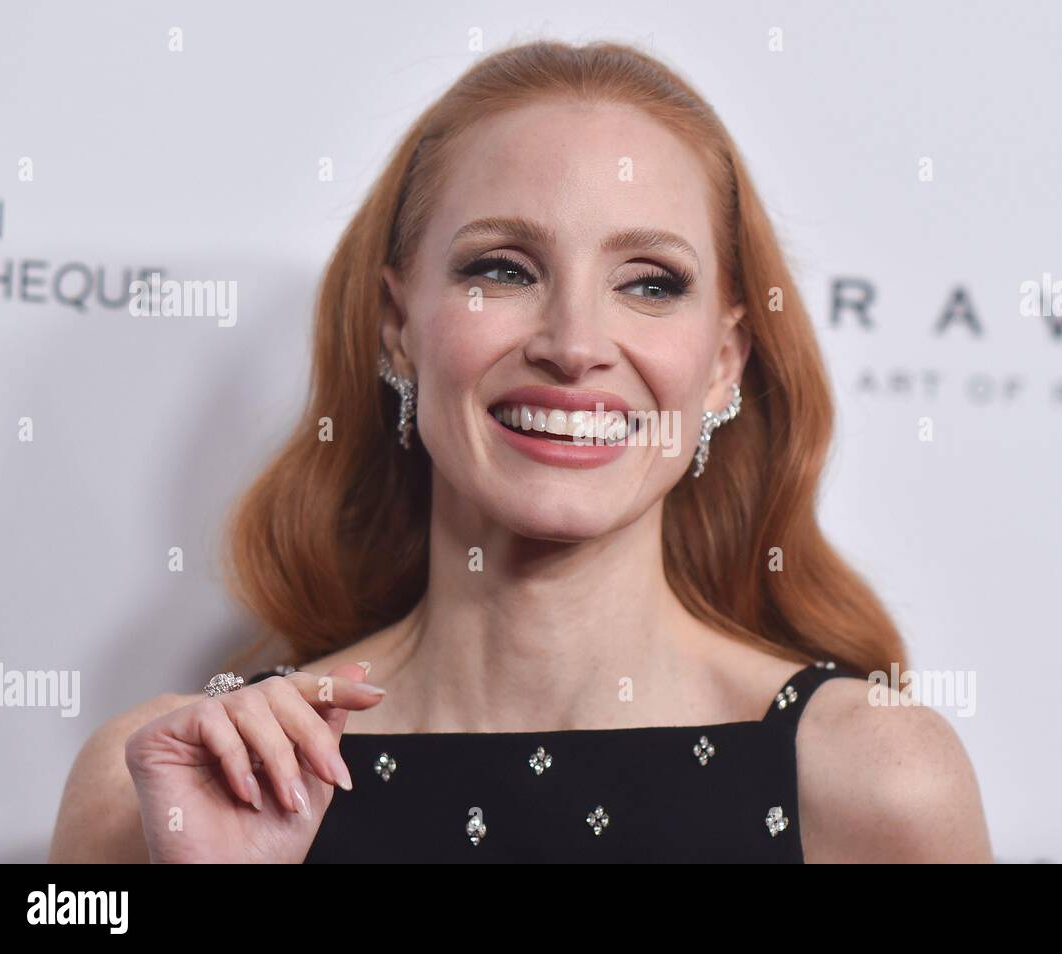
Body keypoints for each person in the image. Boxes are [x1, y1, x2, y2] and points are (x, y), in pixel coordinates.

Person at [50, 39, 993, 863]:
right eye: (501, 268)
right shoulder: (170, 780)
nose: (575, 342)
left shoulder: (877, 780)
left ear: (723, 364)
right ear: (396, 328)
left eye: (651, 282)